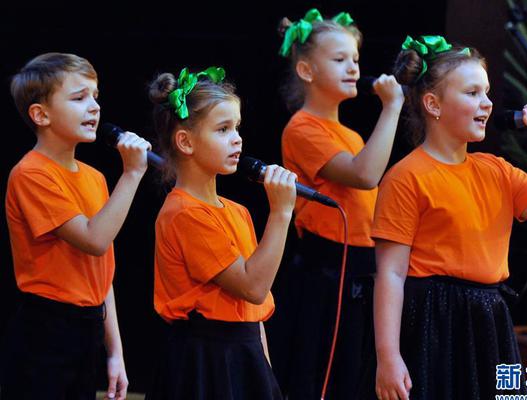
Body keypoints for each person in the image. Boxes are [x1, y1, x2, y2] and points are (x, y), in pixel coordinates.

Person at [371, 35, 527, 400]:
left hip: (489, 318)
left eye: (486, 93)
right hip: (432, 321)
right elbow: (391, 274)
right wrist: (388, 357)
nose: (486, 103)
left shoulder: (495, 170)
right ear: (433, 104)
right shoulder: (406, 178)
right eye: (472, 93)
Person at [1, 52, 151, 400]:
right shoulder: (31, 174)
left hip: (88, 328)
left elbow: (102, 272)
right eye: (79, 97)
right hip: (46, 331)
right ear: (41, 114)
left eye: (96, 96)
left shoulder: (95, 178)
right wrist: (131, 173)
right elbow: (94, 240)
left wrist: (115, 351)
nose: (94, 107)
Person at [272, 8, 404, 399]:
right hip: (326, 271)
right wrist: (392, 107)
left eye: (356, 60)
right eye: (339, 59)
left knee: (355, 374)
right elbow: (365, 175)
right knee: (320, 378)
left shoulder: (348, 133)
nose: (353, 68)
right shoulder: (302, 127)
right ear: (307, 71)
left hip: (361, 268)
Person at [145, 66, 296, 400]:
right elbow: (254, 287)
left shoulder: (238, 211)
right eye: (223, 129)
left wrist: (266, 374)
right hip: (205, 363)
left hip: (244, 355)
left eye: (237, 127)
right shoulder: (185, 213)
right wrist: (282, 212)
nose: (237, 138)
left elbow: (254, 314)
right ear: (185, 141)